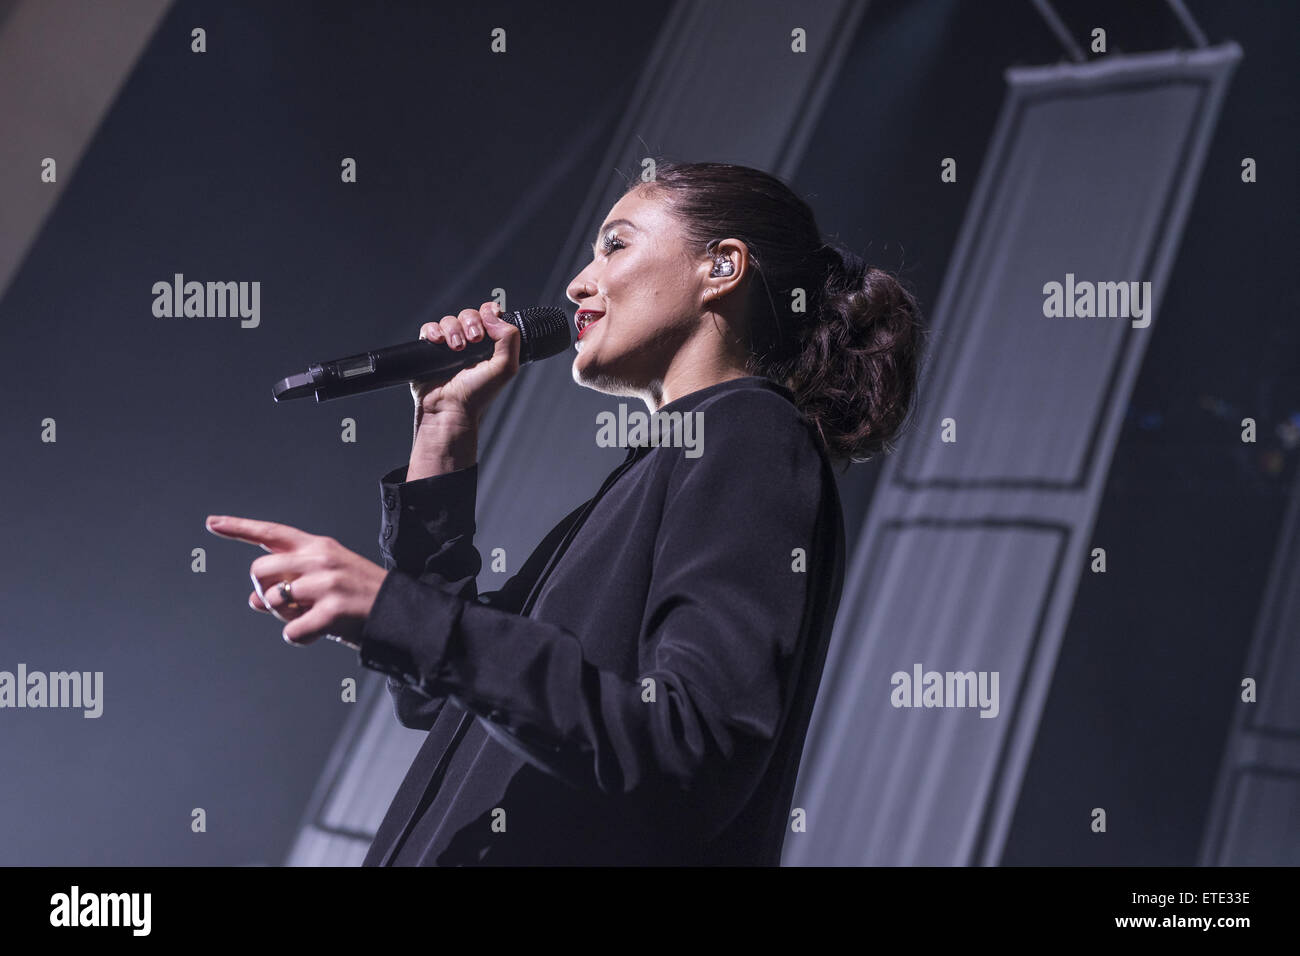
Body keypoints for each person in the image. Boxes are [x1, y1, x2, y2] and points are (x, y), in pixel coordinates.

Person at [206, 160, 924, 865]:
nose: (580, 283)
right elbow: (440, 703)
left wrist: (396, 611)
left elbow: (692, 742)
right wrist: (443, 430)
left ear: (723, 267)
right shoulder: (656, 469)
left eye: (615, 244)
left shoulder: (750, 435)